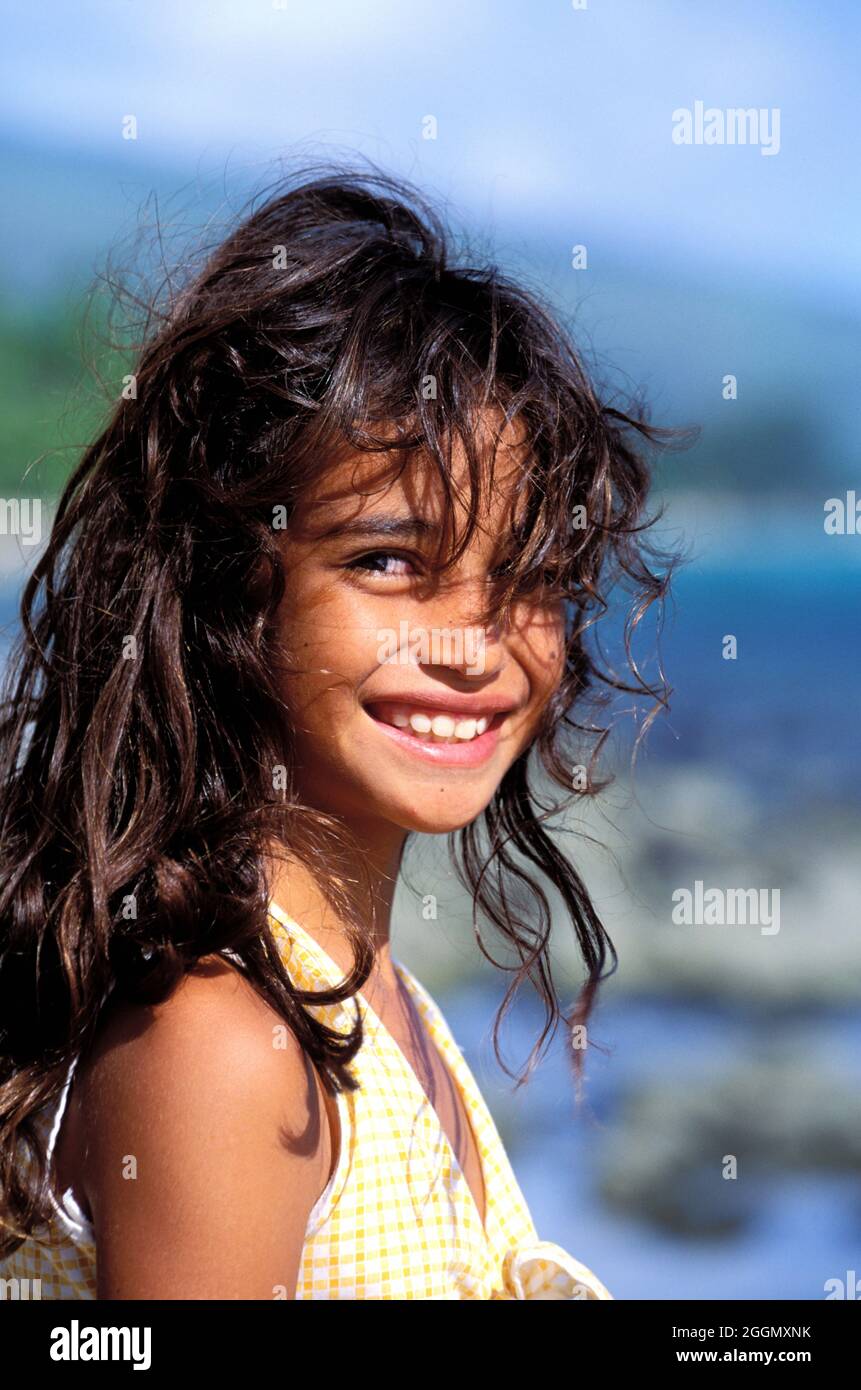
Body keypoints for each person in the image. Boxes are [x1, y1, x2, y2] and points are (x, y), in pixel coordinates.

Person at [0, 164, 673, 1300]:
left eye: (531, 575)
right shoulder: (219, 1045)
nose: (472, 643)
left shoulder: (376, 1002)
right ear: (234, 589)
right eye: (388, 562)